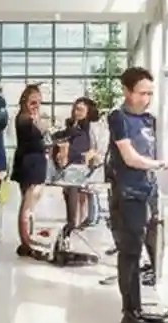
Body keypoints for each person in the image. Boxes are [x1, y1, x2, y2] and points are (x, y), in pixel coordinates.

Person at [107, 67, 168, 323]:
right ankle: (129, 313)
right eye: (142, 93)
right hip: (127, 195)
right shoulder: (118, 118)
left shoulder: (151, 121)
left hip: (148, 194)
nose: (147, 98)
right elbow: (130, 157)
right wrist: (165, 165)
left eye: (150, 94)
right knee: (129, 252)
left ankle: (137, 308)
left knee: (143, 248)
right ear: (127, 91)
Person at [10, 85, 49, 258]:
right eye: (33, 101)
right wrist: (37, 119)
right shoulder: (25, 118)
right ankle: (26, 241)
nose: (36, 105)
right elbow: (40, 131)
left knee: (31, 203)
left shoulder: (30, 118)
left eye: (39, 102)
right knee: (28, 201)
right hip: (30, 161)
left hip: (34, 160)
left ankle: (28, 239)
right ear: (25, 101)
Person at [53, 97, 102, 231]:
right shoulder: (74, 126)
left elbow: (94, 148)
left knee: (72, 186)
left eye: (80, 110)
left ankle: (73, 222)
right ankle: (73, 222)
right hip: (72, 163)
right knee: (70, 189)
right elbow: (62, 137)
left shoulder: (89, 128)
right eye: (75, 109)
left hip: (82, 163)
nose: (76, 112)